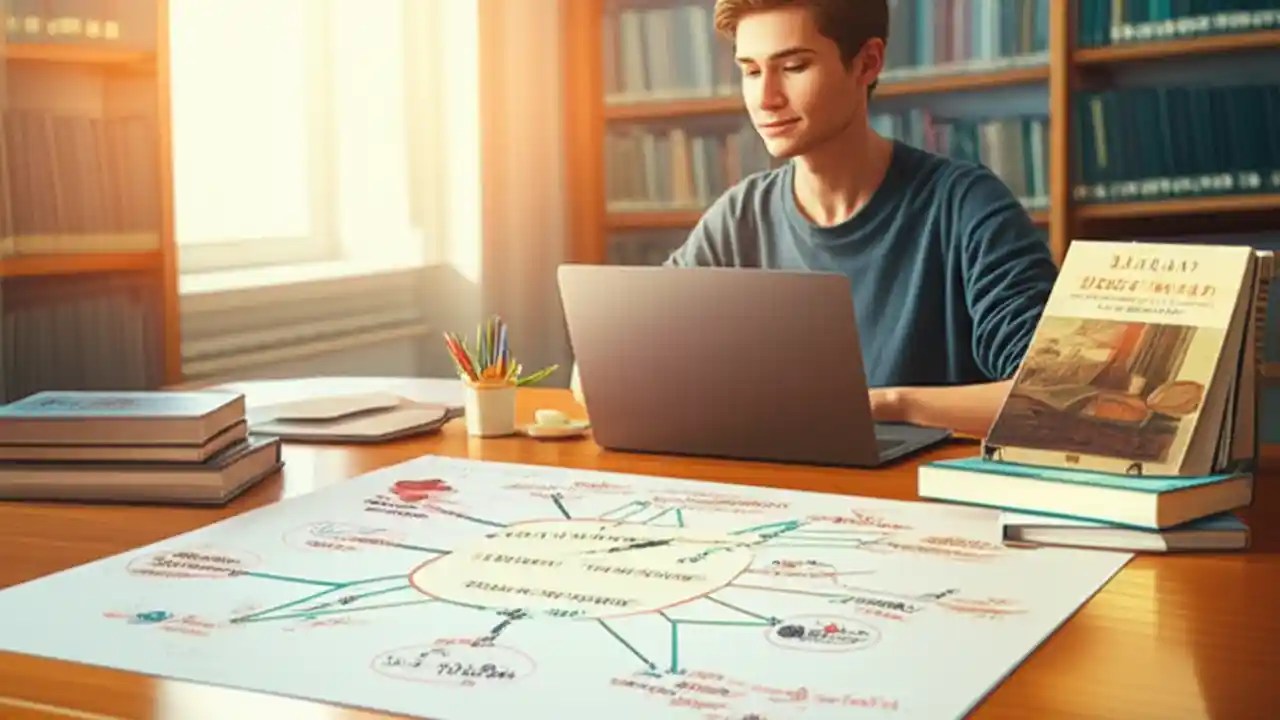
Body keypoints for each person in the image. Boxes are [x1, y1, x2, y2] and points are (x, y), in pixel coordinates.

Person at [572, 0, 1058, 440]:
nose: (765, 98)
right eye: (750, 71)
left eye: (793, 66)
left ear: (867, 63)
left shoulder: (967, 207)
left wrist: (889, 405)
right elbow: (595, 375)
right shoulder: (739, 217)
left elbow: (1051, 400)